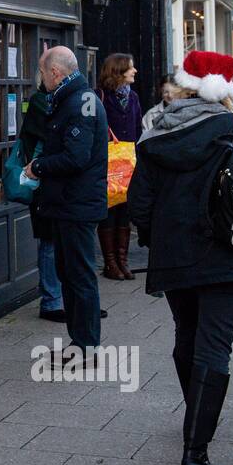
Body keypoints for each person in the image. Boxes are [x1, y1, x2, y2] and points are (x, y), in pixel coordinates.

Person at [128, 50, 233, 465]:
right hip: (230, 255)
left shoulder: (156, 136)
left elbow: (138, 204)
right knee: (214, 347)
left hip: (176, 257)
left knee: (188, 336)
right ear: (221, 88)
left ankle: (196, 416)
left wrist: (157, 237)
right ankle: (195, 454)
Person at [23, 46, 108, 361]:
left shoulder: (79, 102)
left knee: (78, 275)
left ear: (55, 73)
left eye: (43, 73)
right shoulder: (70, 98)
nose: (41, 79)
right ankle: (81, 342)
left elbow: (77, 156)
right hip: (67, 204)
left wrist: (39, 166)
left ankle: (86, 346)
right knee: (70, 273)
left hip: (76, 206)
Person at [21, 67, 64, 322]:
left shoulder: (58, 100)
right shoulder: (40, 102)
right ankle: (51, 301)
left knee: (61, 243)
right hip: (42, 180)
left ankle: (62, 299)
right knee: (49, 242)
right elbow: (53, 136)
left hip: (57, 180)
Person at [97, 53, 142, 280]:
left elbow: (138, 129)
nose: (134, 71)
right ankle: (110, 263)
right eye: (130, 68)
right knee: (108, 210)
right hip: (107, 163)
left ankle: (123, 262)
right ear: (119, 71)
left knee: (124, 210)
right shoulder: (101, 97)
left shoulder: (133, 97)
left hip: (128, 162)